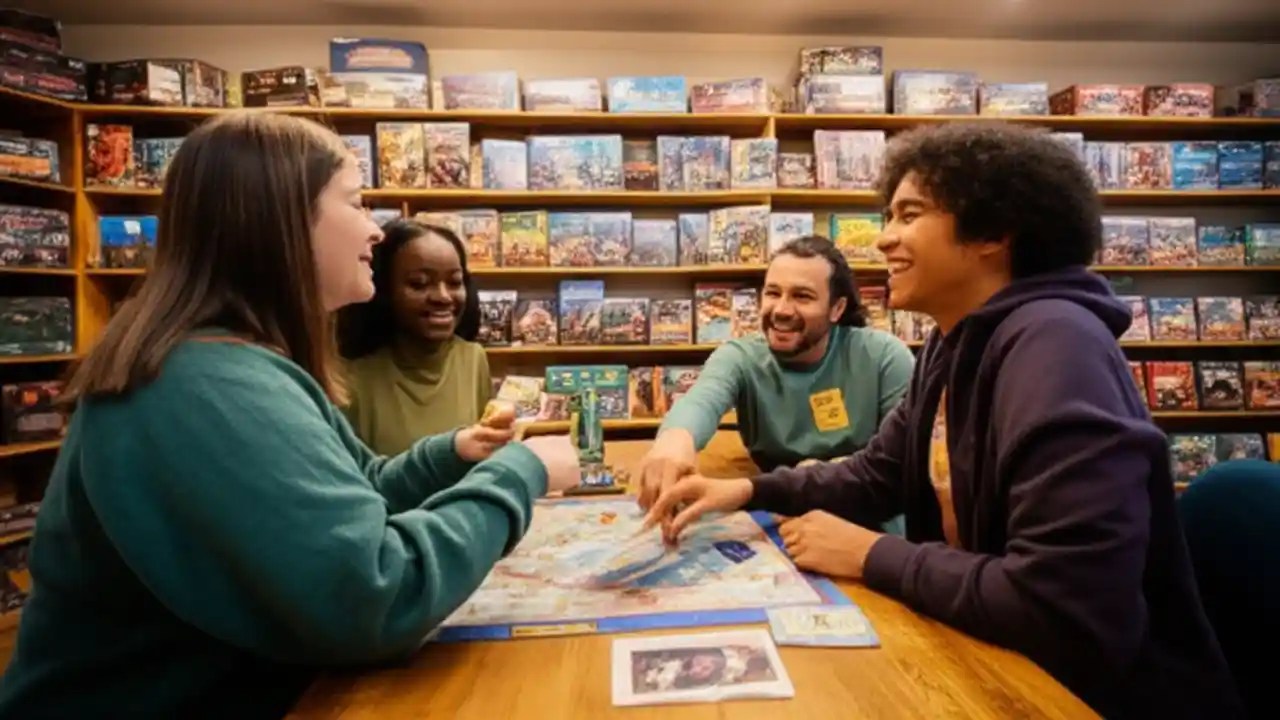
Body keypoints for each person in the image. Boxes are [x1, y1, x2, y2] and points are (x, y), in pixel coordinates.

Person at [643, 123, 1244, 718]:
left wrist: (871, 553)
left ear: (993, 231)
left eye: (910, 215)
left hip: (1095, 699)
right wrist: (747, 490)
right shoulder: (952, 345)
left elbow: (1067, 607)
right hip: (1000, 661)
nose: (883, 239)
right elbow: (877, 474)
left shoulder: (1058, 345)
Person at [0, 112, 581, 718]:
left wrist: (454, 453)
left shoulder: (229, 359)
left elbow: (360, 492)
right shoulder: (205, 385)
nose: (375, 233)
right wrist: (520, 472)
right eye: (356, 204)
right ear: (280, 222)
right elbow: (375, 594)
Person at [636, 236, 915, 534]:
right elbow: (703, 399)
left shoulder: (884, 357)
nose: (781, 309)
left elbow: (903, 463)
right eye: (773, 293)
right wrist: (674, 441)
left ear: (836, 309)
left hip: (870, 525)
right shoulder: (741, 357)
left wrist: (822, 477)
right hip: (782, 517)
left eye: (802, 296)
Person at [337, 218, 489, 455]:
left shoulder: (473, 359)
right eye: (419, 284)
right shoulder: (349, 376)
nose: (443, 297)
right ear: (383, 289)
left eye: (454, 282)